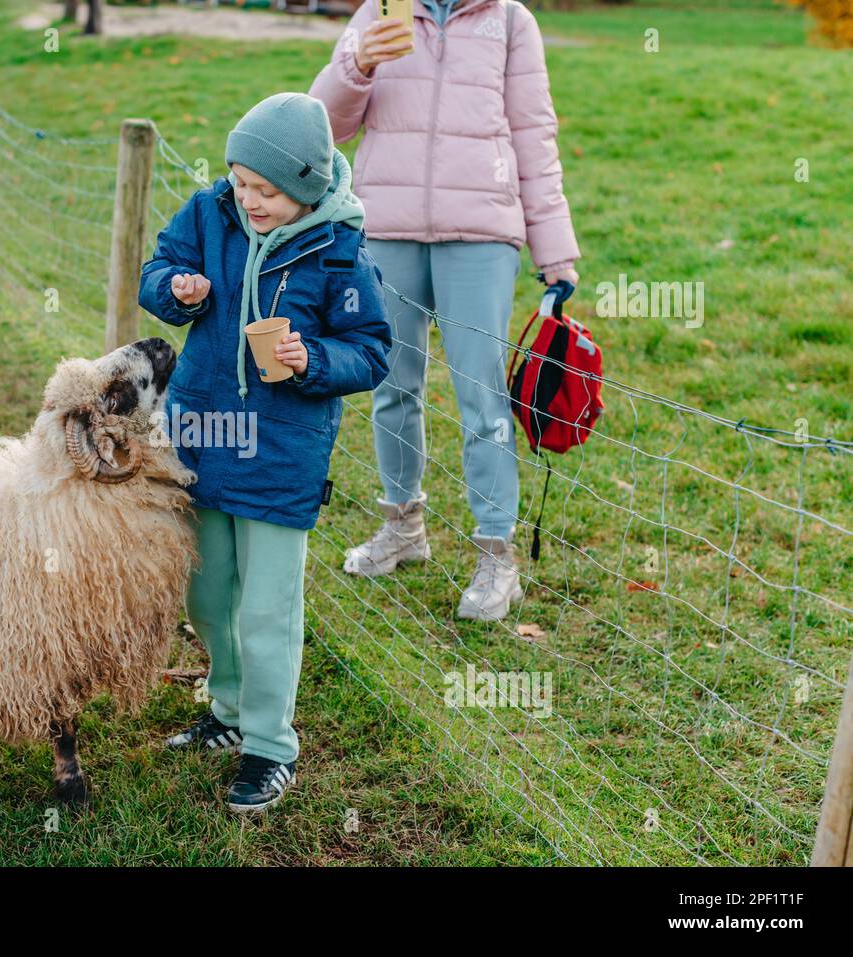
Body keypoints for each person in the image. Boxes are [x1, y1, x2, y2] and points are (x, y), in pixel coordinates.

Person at [138, 93, 391, 812]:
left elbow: (370, 349)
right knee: (207, 591)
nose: (247, 199)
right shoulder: (211, 212)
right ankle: (227, 708)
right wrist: (177, 290)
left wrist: (310, 357)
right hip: (202, 436)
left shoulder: (339, 248)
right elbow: (159, 270)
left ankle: (269, 745)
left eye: (266, 190)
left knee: (268, 607)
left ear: (308, 186)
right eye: (240, 182)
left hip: (283, 450)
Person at [309, 0, 582, 621]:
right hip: (388, 229)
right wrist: (357, 63)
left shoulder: (510, 21)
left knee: (481, 396)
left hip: (481, 236)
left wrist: (556, 251)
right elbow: (325, 126)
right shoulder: (376, 13)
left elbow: (533, 135)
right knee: (390, 387)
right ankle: (403, 529)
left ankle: (496, 556)